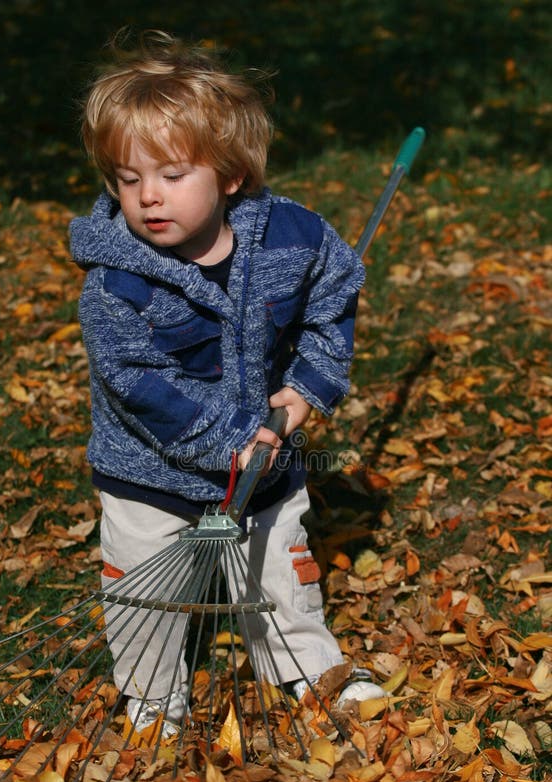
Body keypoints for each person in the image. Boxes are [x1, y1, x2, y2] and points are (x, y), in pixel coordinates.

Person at [70, 30, 386, 737]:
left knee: (281, 576)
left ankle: (307, 670)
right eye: (127, 178)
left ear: (231, 176)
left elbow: (333, 297)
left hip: (267, 468)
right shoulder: (116, 286)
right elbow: (139, 383)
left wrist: (308, 385)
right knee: (142, 601)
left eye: (172, 175)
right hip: (147, 477)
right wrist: (233, 439)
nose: (148, 196)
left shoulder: (293, 240)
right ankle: (153, 699)